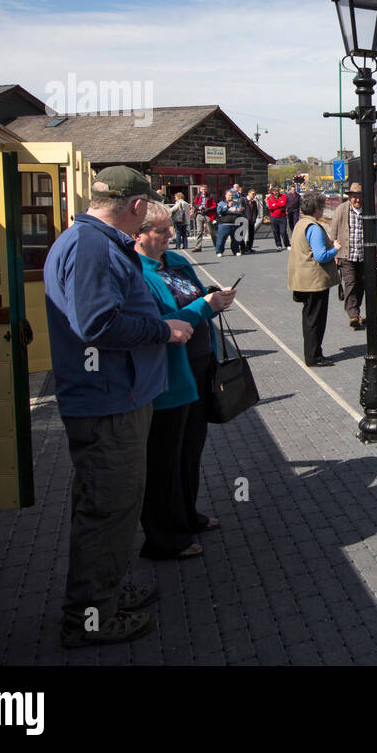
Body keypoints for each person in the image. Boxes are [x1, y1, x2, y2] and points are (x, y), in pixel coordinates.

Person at [43, 166, 195, 648]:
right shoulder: (92, 247)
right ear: (134, 207)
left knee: (106, 505)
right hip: (109, 401)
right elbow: (97, 324)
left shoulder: (85, 240)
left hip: (112, 396)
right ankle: (90, 618)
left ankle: (101, 595)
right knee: (108, 509)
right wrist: (162, 330)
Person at [134, 203, 236, 559]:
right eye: (161, 232)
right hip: (170, 373)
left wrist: (215, 296)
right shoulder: (138, 273)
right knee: (164, 455)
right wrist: (205, 306)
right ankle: (164, 536)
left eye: (169, 230)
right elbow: (161, 322)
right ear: (139, 234)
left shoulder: (176, 262)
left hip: (199, 364)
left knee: (191, 446)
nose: (170, 236)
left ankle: (187, 514)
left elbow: (194, 297)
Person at [287, 190, 342, 367]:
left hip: (302, 280)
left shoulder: (300, 224)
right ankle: (314, 356)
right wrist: (335, 248)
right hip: (314, 282)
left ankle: (313, 353)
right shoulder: (314, 228)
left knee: (309, 319)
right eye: (322, 207)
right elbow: (320, 256)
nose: (324, 211)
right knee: (315, 321)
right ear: (317, 209)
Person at [330, 181, 368, 331]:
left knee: (361, 284)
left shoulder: (368, 210)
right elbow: (333, 232)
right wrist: (334, 252)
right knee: (350, 283)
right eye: (354, 197)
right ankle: (353, 314)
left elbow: (375, 233)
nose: (357, 200)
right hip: (346, 254)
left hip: (363, 254)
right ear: (350, 197)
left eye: (359, 196)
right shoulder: (342, 209)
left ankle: (356, 310)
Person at [215, 188, 243, 257]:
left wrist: (241, 210)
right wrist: (227, 206)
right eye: (229, 195)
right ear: (225, 196)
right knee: (221, 239)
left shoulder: (236, 203)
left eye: (231, 196)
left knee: (235, 240)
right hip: (224, 225)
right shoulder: (221, 204)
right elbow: (220, 212)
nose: (230, 197)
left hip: (235, 224)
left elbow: (240, 211)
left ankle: (236, 251)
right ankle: (219, 251)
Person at [267, 185, 289, 250]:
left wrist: (275, 205)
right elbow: (270, 207)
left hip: (282, 217)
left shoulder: (283, 196)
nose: (276, 192)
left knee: (283, 231)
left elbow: (283, 204)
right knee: (275, 232)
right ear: (273, 191)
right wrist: (278, 205)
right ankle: (278, 245)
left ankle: (287, 244)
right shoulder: (270, 198)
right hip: (274, 217)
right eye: (275, 191)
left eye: (277, 191)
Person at [243, 188, 260, 254]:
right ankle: (243, 248)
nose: (254, 195)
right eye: (253, 194)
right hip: (244, 220)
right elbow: (241, 210)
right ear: (249, 193)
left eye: (255, 194)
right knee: (243, 235)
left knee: (251, 235)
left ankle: (249, 247)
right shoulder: (243, 200)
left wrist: (254, 219)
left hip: (251, 221)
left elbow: (256, 211)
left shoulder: (254, 202)